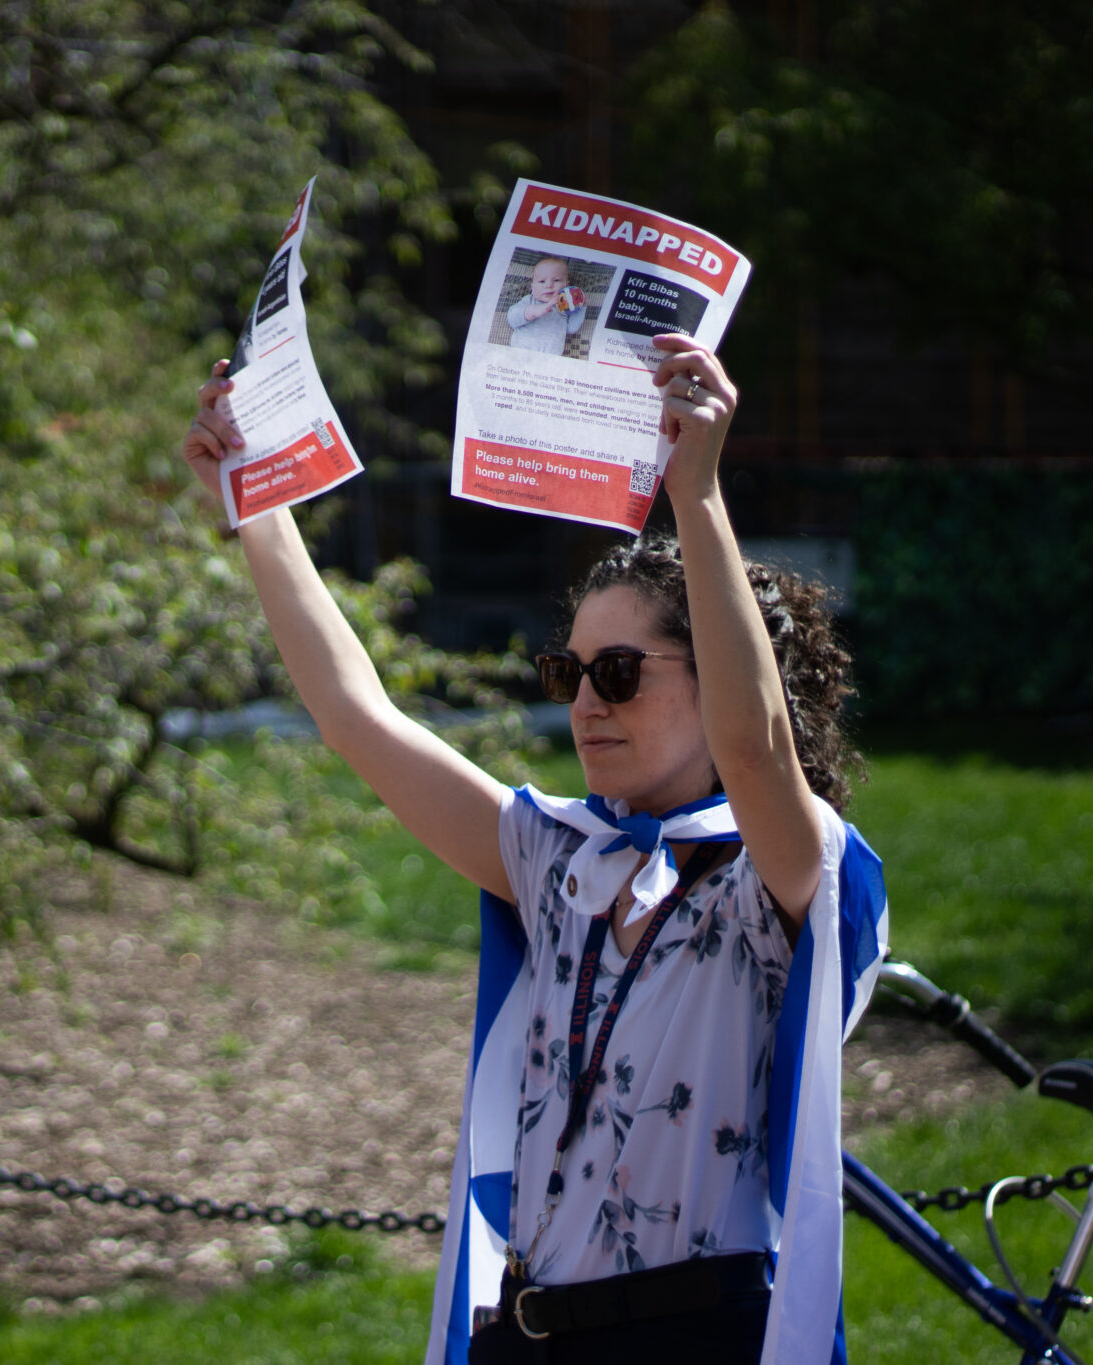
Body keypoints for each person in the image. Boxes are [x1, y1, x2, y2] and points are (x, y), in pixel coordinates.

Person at [181, 334, 886, 1365]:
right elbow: (354, 716)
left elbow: (753, 746)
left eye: (618, 672)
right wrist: (258, 505)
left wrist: (695, 492)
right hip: (524, 1329)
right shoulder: (554, 854)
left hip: (697, 1337)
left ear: (721, 677)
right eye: (568, 674)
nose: (586, 705)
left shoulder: (784, 872)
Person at [504, 256, 589, 354]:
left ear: (566, 286)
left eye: (556, 280)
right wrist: (533, 311)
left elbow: (571, 329)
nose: (549, 285)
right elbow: (512, 320)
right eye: (542, 281)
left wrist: (582, 307)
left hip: (549, 359)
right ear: (533, 287)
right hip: (521, 352)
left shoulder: (565, 307)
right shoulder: (530, 300)